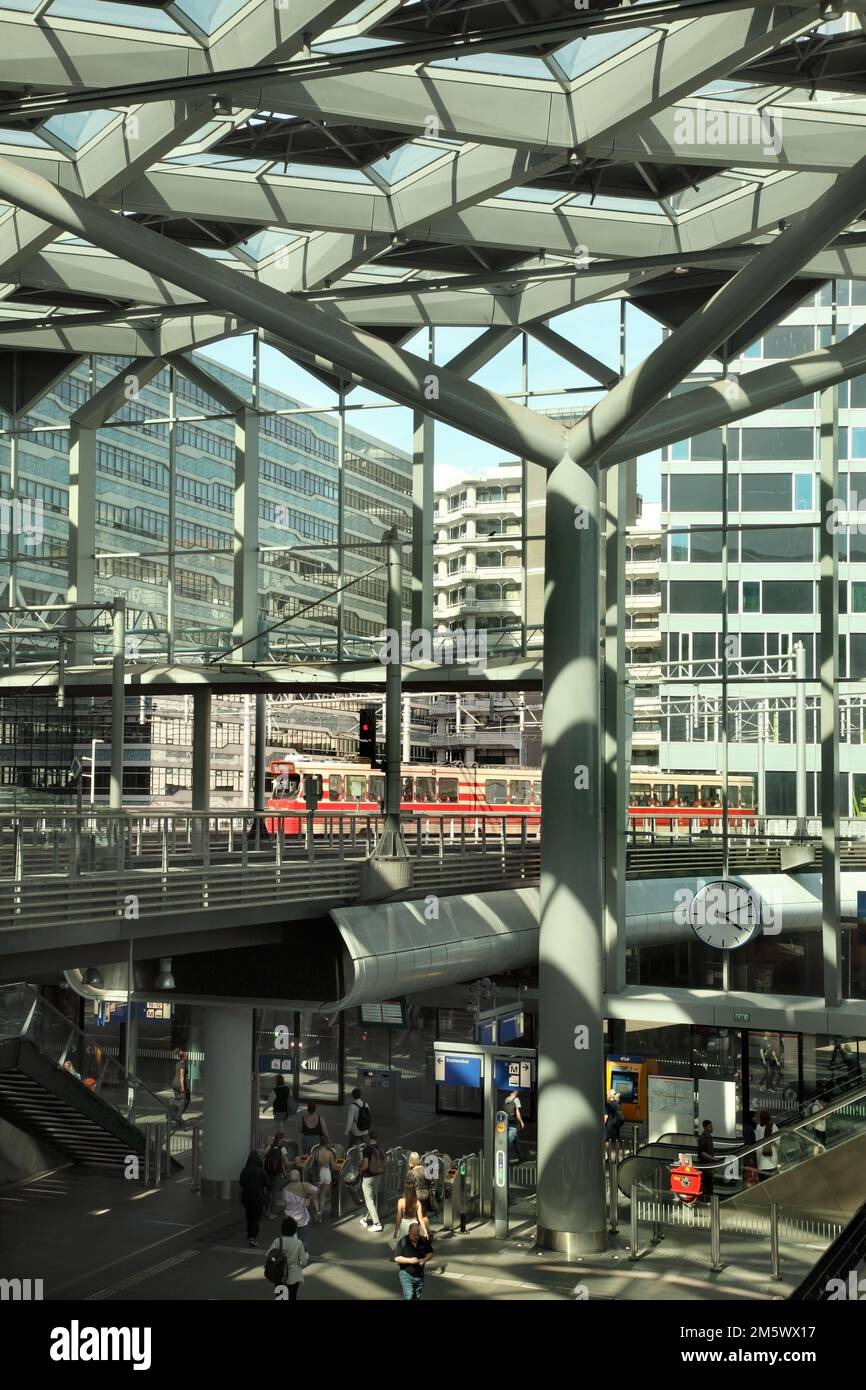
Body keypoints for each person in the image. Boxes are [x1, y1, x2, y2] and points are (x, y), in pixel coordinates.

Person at [265, 1216, 307, 1301]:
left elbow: (269, 1254)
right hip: (293, 1277)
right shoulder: (298, 1243)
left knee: (280, 1297)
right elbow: (304, 1262)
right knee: (292, 1296)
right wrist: (305, 1257)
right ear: (295, 1230)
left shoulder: (277, 1241)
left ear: (282, 1229)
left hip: (279, 1275)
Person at [280, 1167, 319, 1249]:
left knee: (290, 1239)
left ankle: (292, 1254)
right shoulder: (304, 1185)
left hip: (289, 1219)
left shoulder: (285, 1189)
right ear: (299, 1176)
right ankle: (301, 1254)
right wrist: (308, 1197)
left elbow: (285, 1204)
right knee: (302, 1239)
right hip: (301, 1218)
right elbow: (315, 1190)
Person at [393, 1222, 434, 1300]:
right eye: (414, 1235)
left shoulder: (423, 1240)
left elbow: (430, 1253)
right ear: (409, 1232)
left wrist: (424, 1260)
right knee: (409, 1296)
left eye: (417, 1234)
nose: (416, 1237)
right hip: (406, 1274)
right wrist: (410, 1260)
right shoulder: (403, 1241)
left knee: (416, 1297)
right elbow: (397, 1258)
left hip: (419, 1275)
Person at [358, 1130, 386, 1233]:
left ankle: (377, 1224)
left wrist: (359, 1170)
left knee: (369, 1201)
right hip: (378, 1176)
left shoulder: (367, 1149)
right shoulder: (381, 1149)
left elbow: (365, 1165)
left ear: (369, 1137)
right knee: (371, 1200)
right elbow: (385, 1162)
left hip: (368, 1177)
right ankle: (365, 1218)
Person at [239, 1150, 268, 1247]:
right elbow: (267, 1183)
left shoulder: (245, 1170)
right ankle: (253, 1236)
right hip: (258, 1197)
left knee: (249, 1215)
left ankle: (249, 1232)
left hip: (247, 1197)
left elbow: (241, 1183)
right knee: (256, 1217)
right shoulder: (261, 1171)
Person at [307, 1138, 336, 1218]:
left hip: (318, 1174)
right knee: (323, 1195)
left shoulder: (316, 1152)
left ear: (320, 1143)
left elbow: (310, 1166)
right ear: (327, 1144)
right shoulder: (330, 1153)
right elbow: (333, 1167)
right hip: (327, 1173)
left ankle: (317, 1211)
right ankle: (321, 1213)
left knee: (315, 1195)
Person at [264, 1132, 289, 1216]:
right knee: (275, 1191)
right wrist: (295, 1162)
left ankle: (266, 1209)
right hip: (277, 1173)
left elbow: (263, 1156)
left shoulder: (269, 1147)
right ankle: (272, 1210)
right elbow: (287, 1163)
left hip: (268, 1172)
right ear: (281, 1139)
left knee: (268, 1191)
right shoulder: (283, 1149)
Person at [755, 1110, 780, 1181]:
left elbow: (756, 1143)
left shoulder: (758, 1127)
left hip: (761, 1163)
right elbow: (778, 1145)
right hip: (772, 1163)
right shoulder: (773, 1127)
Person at [503, 1089, 524, 1161]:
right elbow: (518, 1113)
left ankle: (520, 1156)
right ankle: (504, 1158)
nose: (518, 1092)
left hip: (506, 1122)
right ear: (514, 1092)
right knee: (509, 1142)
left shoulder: (506, 1099)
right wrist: (521, 1122)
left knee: (515, 1141)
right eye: (517, 1090)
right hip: (513, 1124)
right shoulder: (516, 1099)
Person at [170, 1048, 190, 1126]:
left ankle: (176, 1119)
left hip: (174, 1083)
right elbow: (181, 1077)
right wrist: (182, 1089)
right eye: (186, 1056)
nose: (187, 1057)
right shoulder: (182, 1065)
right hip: (180, 1084)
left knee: (178, 1100)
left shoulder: (178, 1063)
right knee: (185, 1100)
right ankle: (178, 1117)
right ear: (183, 1057)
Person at [696, 1119, 715, 1198]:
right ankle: (706, 1199)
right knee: (706, 1185)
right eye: (710, 1127)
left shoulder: (709, 1138)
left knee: (709, 1185)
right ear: (705, 1127)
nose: (712, 1128)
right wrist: (713, 1159)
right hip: (705, 1166)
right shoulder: (702, 1138)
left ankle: (708, 1199)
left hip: (709, 1165)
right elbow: (702, 1152)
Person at [603, 1089, 624, 1158]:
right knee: (616, 1141)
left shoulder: (607, 1105)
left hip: (609, 1126)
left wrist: (602, 1125)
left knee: (607, 1142)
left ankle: (609, 1157)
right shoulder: (617, 1104)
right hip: (615, 1125)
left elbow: (605, 1117)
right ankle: (617, 1157)